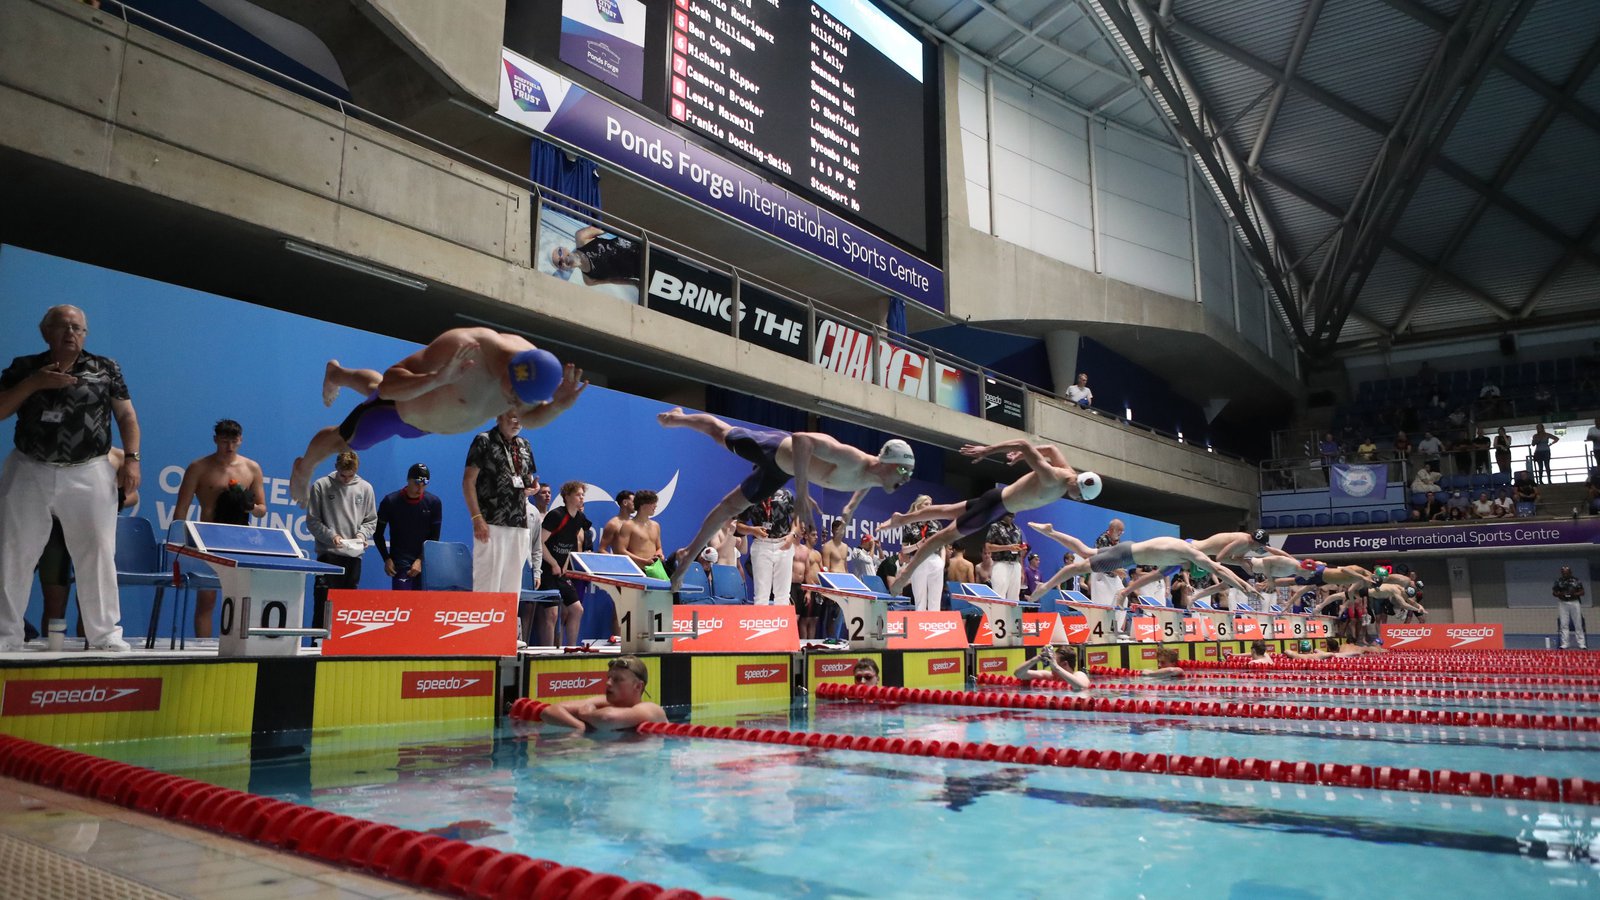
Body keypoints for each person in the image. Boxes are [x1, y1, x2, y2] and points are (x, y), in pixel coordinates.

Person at [291, 327, 581, 505]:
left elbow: (529, 420)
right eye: (514, 396)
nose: (514, 407)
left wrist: (557, 407)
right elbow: (390, 384)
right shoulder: (464, 347)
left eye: (521, 401)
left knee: (370, 388)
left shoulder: (529, 376)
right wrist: (437, 378)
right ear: (509, 369)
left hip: (428, 423)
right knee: (345, 438)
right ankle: (304, 467)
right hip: (397, 411)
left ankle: (337, 373)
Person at [0, 305, 139, 652]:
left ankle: (105, 635)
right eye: (62, 327)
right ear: (45, 332)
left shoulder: (106, 368)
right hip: (29, 467)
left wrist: (132, 459)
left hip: (89, 469)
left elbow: (126, 416)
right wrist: (35, 383)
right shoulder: (24, 367)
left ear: (85, 334)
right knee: (13, 552)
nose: (70, 333)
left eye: (78, 328)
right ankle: (5, 636)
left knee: (97, 551)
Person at [656, 408, 917, 589]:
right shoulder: (852, 459)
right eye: (904, 471)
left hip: (780, 473)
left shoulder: (873, 477)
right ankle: (678, 419)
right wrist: (802, 496)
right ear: (888, 463)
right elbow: (802, 440)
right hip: (775, 451)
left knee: (728, 508)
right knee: (720, 433)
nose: (906, 479)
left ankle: (688, 556)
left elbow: (865, 485)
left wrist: (849, 509)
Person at [882, 439, 1101, 594]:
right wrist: (989, 450)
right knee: (942, 537)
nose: (1076, 498)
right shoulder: (1053, 477)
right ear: (1077, 484)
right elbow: (1024, 444)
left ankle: (902, 519)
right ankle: (905, 575)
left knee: (947, 510)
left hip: (996, 499)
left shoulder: (1069, 473)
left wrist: (1021, 454)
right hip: (996, 506)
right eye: (1078, 495)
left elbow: (1051, 449)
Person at [171, 419, 266, 637]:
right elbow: (180, 512)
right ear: (216, 440)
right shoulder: (199, 468)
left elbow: (262, 509)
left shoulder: (252, 468)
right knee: (207, 602)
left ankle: (236, 648)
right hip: (209, 539)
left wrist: (249, 506)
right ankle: (203, 651)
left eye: (233, 441)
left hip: (240, 540)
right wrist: (181, 544)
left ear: (240, 440)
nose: (229, 447)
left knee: (240, 600)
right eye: (224, 441)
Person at [1031, 531, 1255, 597]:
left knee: (1084, 550)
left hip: (1128, 549)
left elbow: (1152, 577)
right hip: (1125, 557)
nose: (1186, 571)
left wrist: (1245, 586)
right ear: (1194, 563)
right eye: (1192, 569)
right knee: (1078, 567)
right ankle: (1046, 586)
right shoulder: (1186, 552)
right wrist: (1245, 587)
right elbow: (1217, 567)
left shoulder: (1176, 562)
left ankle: (1051, 532)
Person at [464, 411, 538, 594]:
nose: (517, 421)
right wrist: (476, 518)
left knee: (512, 590)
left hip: (519, 524)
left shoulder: (525, 445)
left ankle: (506, 623)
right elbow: (468, 482)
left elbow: (526, 479)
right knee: (487, 587)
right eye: (512, 416)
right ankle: (482, 623)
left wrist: (531, 488)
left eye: (520, 416)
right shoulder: (484, 441)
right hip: (490, 522)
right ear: (498, 416)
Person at [307, 450, 377, 630]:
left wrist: (361, 536)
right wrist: (332, 537)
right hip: (328, 557)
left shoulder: (365, 488)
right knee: (323, 606)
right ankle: (318, 646)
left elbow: (371, 520)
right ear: (335, 467)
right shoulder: (321, 486)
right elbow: (313, 521)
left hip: (353, 557)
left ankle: (341, 650)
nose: (346, 479)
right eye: (342, 475)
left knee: (346, 610)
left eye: (350, 476)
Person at [540, 656, 666, 732]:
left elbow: (608, 718)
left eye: (617, 680)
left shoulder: (652, 710)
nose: (608, 683)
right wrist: (579, 727)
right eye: (608, 678)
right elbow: (549, 711)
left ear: (638, 686)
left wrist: (587, 714)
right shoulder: (604, 703)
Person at [373, 463, 442, 591]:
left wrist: (420, 560)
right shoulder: (390, 502)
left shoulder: (434, 503)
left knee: (423, 607)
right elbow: (377, 534)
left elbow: (434, 537)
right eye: (417, 483)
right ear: (408, 480)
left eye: (424, 484)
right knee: (402, 606)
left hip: (424, 562)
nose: (420, 488)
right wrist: (386, 558)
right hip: (400, 562)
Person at [539, 481, 591, 646]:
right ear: (567, 496)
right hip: (546, 570)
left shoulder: (580, 518)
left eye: (583, 494)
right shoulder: (556, 515)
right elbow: (540, 543)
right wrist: (554, 563)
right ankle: (546, 653)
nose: (581, 497)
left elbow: (571, 545)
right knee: (552, 615)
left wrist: (566, 565)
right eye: (578, 494)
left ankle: (572, 648)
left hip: (562, 572)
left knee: (577, 610)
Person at [738, 487, 795, 606]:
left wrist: (792, 534)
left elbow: (797, 518)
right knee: (761, 595)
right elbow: (738, 525)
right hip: (761, 545)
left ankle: (780, 624)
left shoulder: (785, 494)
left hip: (784, 543)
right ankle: (760, 624)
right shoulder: (751, 496)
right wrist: (752, 530)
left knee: (783, 595)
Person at [549, 226, 643, 287]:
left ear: (565, 248)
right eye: (559, 263)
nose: (562, 258)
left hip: (638, 249)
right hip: (639, 272)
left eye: (560, 252)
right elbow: (612, 280)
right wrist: (634, 283)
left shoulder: (582, 237)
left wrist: (638, 233)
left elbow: (609, 225)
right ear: (564, 269)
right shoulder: (589, 280)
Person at [898, 495, 946, 610]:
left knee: (935, 599)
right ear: (918, 506)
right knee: (920, 600)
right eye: (926, 504)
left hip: (935, 560)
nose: (929, 506)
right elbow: (904, 549)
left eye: (930, 504)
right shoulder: (909, 524)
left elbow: (942, 546)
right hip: (918, 560)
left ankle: (933, 626)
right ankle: (920, 626)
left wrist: (942, 562)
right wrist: (917, 545)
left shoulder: (936, 524)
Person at [619, 489, 665, 579]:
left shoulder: (656, 526)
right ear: (643, 504)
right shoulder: (628, 525)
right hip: (636, 571)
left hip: (654, 571)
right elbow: (620, 551)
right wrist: (643, 561)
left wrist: (659, 554)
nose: (655, 506)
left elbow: (659, 547)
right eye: (653, 503)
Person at [985, 511, 1025, 602]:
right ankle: (998, 616)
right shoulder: (995, 527)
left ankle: (1013, 617)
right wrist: (1008, 547)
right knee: (999, 594)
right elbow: (988, 547)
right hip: (1001, 563)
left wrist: (1022, 569)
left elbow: (1020, 552)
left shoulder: (1017, 529)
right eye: (1010, 515)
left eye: (1013, 515)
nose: (1012, 517)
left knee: (1015, 596)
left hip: (1016, 565)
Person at [1013, 645, 1090, 691]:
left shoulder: (1079, 675)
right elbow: (1018, 674)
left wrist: (1056, 667)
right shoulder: (1048, 676)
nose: (1051, 667)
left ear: (1065, 664)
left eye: (1053, 662)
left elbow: (1082, 687)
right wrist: (1037, 658)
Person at [793, 525, 822, 639]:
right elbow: (806, 572)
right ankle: (802, 645)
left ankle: (811, 645)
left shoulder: (816, 553)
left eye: (816, 535)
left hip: (814, 588)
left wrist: (815, 589)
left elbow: (816, 571)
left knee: (814, 619)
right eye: (813, 535)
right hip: (801, 587)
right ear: (806, 536)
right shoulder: (798, 549)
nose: (816, 537)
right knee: (802, 619)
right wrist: (809, 589)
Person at [1553, 565, 1587, 651]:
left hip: (1574, 602)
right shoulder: (1558, 581)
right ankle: (1565, 644)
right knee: (1564, 623)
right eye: (1563, 573)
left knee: (1578, 623)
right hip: (1563, 603)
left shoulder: (1576, 581)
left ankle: (1582, 644)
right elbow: (1554, 592)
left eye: (1567, 573)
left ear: (1570, 573)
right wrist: (1560, 594)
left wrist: (1574, 594)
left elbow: (1582, 592)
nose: (1565, 574)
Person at [598, 490, 635, 555]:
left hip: (636, 563)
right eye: (633, 502)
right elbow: (601, 549)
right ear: (625, 502)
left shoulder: (634, 523)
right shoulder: (613, 524)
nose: (636, 504)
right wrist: (616, 561)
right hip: (622, 563)